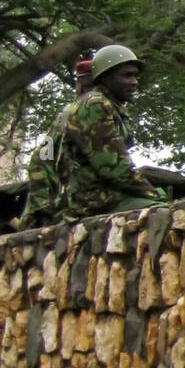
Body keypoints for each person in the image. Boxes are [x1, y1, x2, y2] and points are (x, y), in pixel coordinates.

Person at [55, 45, 164, 220]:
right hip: (95, 202)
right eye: (127, 75)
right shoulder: (94, 105)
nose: (135, 82)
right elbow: (114, 168)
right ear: (105, 77)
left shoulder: (111, 106)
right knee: (163, 213)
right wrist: (154, 194)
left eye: (135, 75)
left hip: (110, 197)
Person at [20, 59, 95, 230]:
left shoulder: (111, 114)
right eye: (91, 87)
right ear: (81, 87)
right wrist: (43, 209)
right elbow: (41, 160)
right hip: (70, 207)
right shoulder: (68, 116)